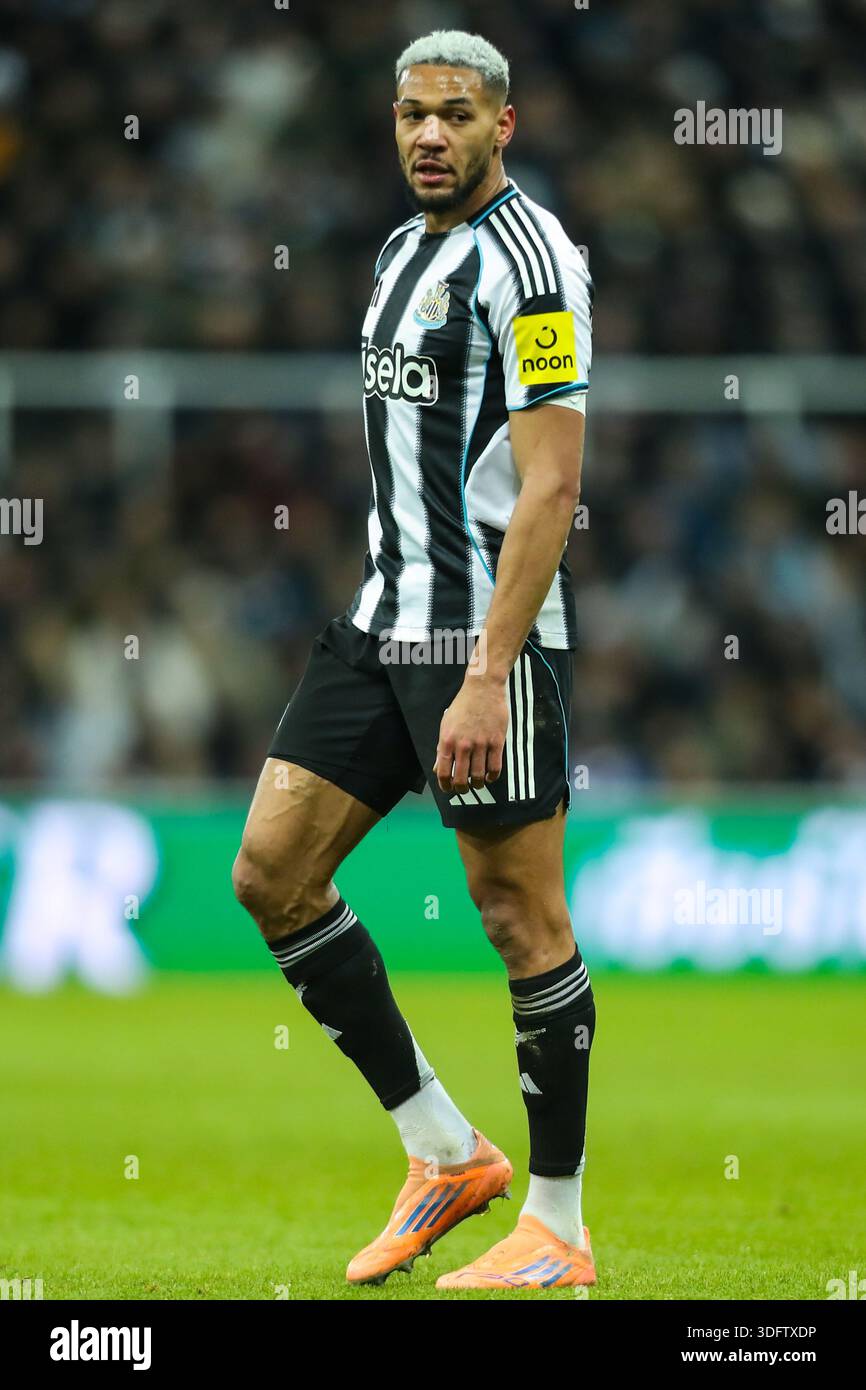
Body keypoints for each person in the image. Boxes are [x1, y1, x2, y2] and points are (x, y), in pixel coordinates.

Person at [232, 27, 597, 1292]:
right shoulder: (397, 252)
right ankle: (443, 1152)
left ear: (506, 123)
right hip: (378, 621)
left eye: (453, 114)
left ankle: (555, 1224)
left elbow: (550, 490)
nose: (428, 135)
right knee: (271, 874)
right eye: (409, 115)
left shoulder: (535, 266)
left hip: (479, 640)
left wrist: (489, 672)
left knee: (515, 913)